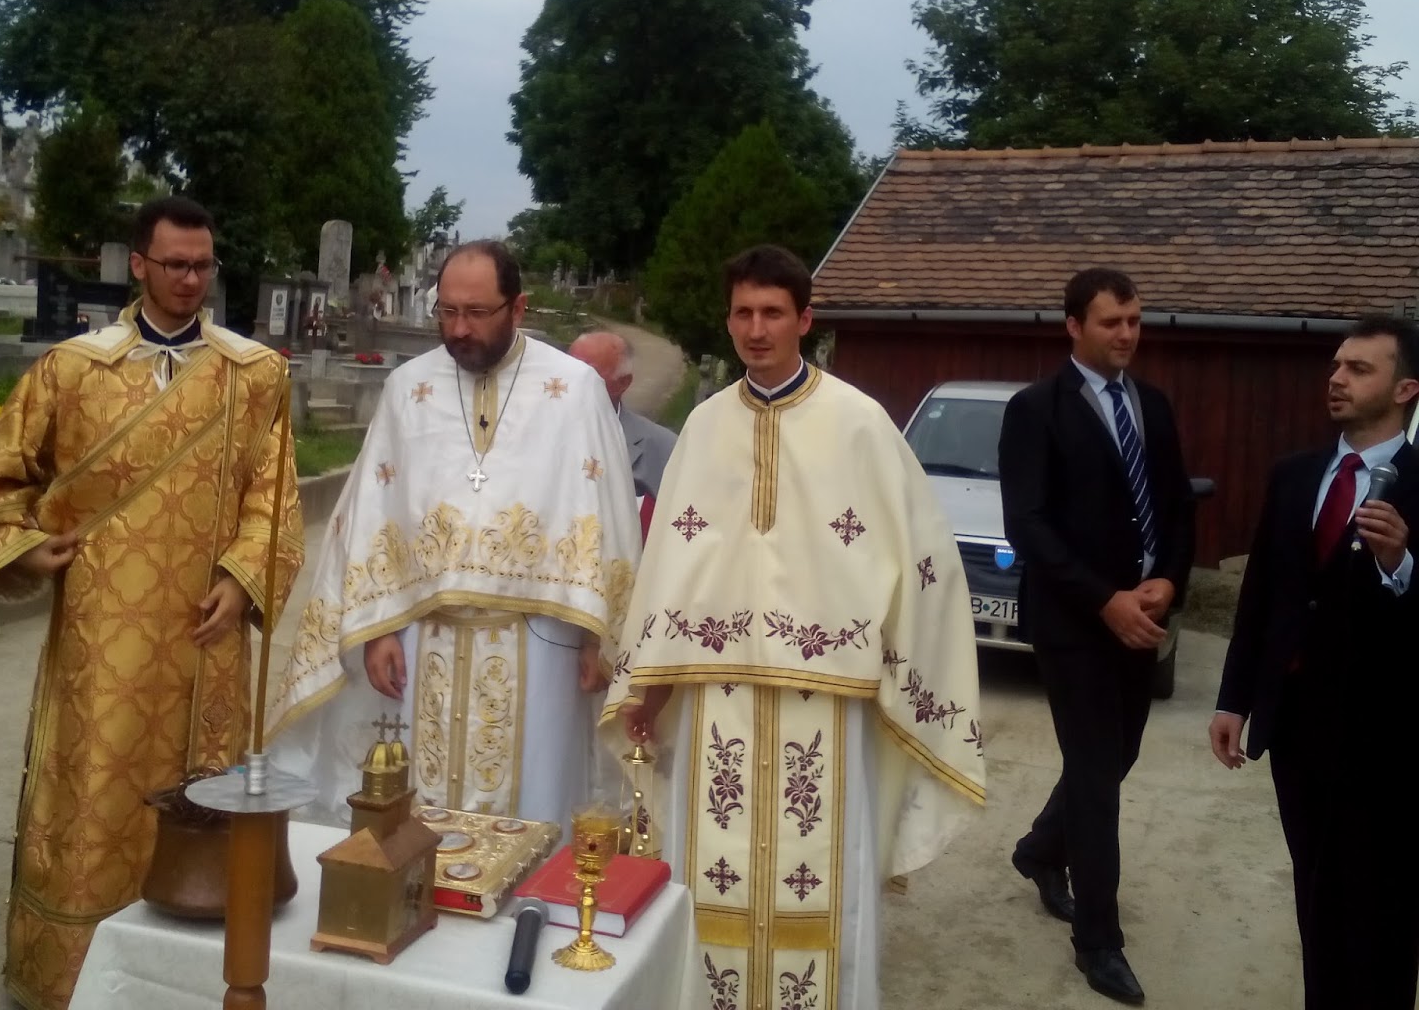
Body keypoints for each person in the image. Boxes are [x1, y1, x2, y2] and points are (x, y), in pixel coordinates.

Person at [601, 244, 985, 1010]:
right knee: (709, 889)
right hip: (718, 701)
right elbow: (670, 564)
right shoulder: (705, 428)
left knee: (822, 891)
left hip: (827, 707)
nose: (756, 328)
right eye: (743, 312)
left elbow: (923, 562)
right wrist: (646, 686)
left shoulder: (860, 425)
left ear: (804, 319)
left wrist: (901, 681)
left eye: (772, 312)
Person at [0, 196, 304, 1010]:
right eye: (173, 264)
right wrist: (29, 546)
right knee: (93, 791)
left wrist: (244, 577)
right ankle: (71, 973)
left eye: (202, 265)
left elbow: (272, 497)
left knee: (202, 794)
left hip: (205, 630)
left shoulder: (255, 375)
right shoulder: (72, 370)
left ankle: (196, 978)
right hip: (100, 630)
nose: (189, 279)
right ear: (137, 264)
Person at [268, 240, 641, 828]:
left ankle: (524, 916)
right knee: (421, 807)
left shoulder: (575, 391)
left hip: (542, 642)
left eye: (476, 313)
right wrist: (377, 629)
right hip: (424, 637)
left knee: (536, 805)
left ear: (517, 309)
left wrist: (602, 638)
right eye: (447, 312)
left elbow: (609, 517)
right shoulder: (408, 389)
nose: (460, 329)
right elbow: (375, 514)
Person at [997, 267, 1195, 1005]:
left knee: (1117, 757)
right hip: (1073, 623)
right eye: (1112, 321)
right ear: (1073, 326)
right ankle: (1099, 942)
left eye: (1135, 320)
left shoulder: (1154, 405)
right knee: (1094, 774)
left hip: (1141, 618)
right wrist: (1103, 598)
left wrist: (1169, 582)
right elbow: (1031, 525)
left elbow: (1177, 507)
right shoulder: (1036, 411)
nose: (1127, 334)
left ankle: (1040, 850)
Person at [1210, 317, 1419, 1010]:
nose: (1336, 377)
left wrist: (1403, 565)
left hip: (1389, 740)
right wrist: (1233, 699)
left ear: (1406, 388)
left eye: (1359, 369)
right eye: (1336, 365)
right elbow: (1263, 596)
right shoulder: (1296, 476)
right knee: (1317, 896)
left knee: (1382, 909)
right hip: (1299, 732)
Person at [568, 330, 677, 537]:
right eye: (567, 372)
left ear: (623, 383)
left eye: (588, 375)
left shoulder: (664, 449)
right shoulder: (537, 434)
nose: (573, 384)